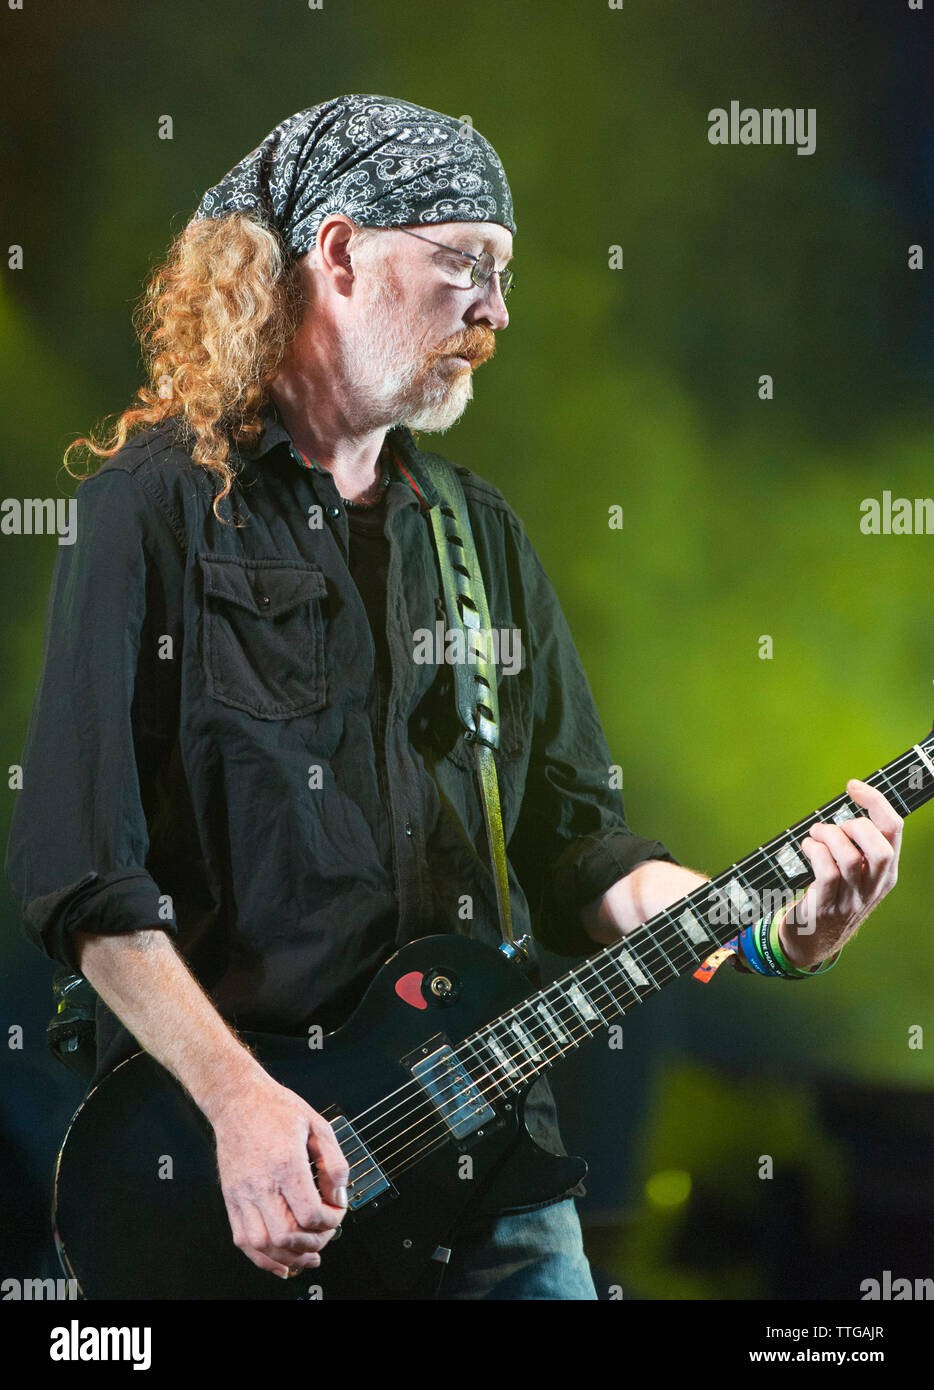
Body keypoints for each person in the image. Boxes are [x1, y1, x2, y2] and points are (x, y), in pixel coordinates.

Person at [5, 94, 903, 1300]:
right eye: (463, 264)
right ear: (335, 253)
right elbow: (81, 880)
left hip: (495, 1176)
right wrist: (240, 1105)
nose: (494, 312)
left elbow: (584, 853)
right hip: (246, 1179)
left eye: (504, 273)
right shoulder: (150, 509)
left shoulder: (479, 535)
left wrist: (761, 927)